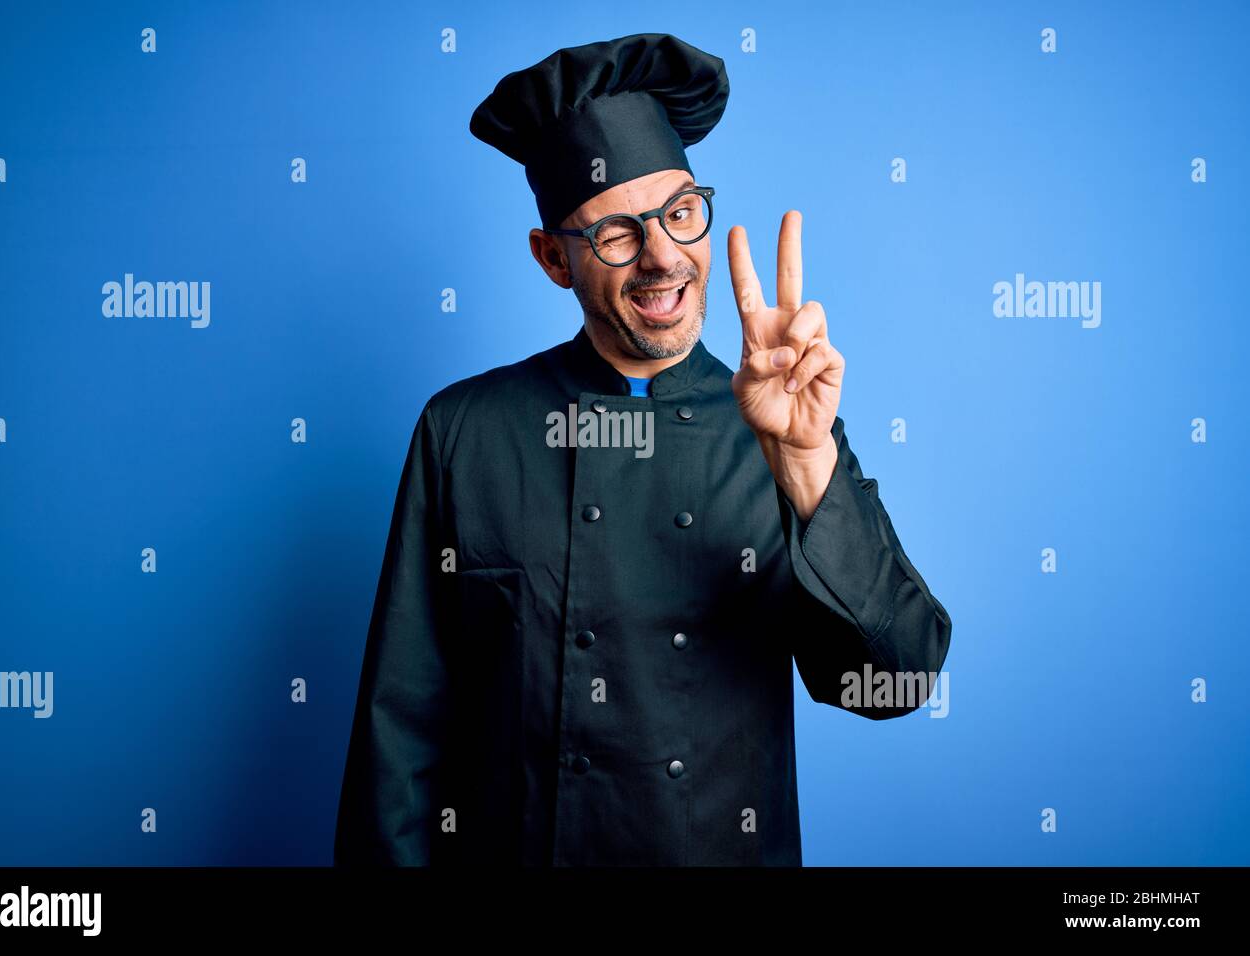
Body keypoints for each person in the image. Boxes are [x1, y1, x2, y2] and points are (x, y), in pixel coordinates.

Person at [334, 32, 952, 867]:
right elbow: (399, 739)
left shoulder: (783, 433)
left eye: (679, 212)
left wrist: (810, 467)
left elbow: (899, 683)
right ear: (553, 258)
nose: (663, 256)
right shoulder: (463, 431)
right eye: (616, 234)